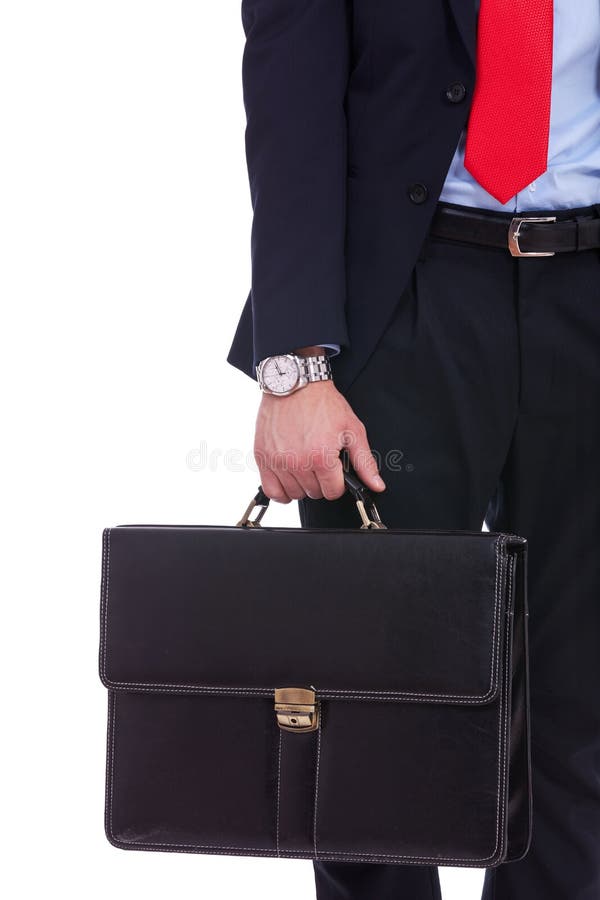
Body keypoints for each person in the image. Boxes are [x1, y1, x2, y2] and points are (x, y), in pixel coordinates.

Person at [227, 1, 600, 898]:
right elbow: (291, 80)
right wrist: (295, 365)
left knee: (585, 712)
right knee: (370, 712)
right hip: (403, 301)